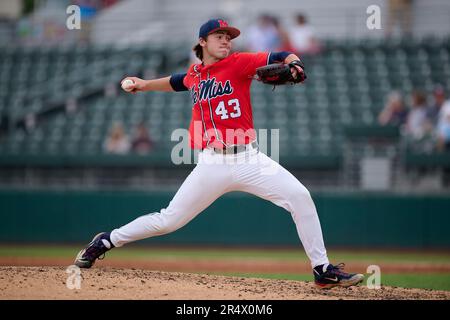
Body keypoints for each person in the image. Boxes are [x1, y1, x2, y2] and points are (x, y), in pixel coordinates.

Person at [74, 18, 364, 289]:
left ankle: (322, 270)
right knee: (168, 220)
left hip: (249, 159)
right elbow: (177, 81)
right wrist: (144, 84)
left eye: (229, 37)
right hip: (212, 163)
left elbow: (282, 54)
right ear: (203, 42)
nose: (226, 41)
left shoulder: (240, 62)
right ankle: (106, 241)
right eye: (219, 36)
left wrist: (295, 63)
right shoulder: (195, 74)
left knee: (300, 197)